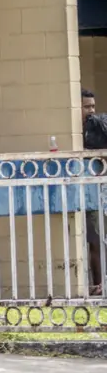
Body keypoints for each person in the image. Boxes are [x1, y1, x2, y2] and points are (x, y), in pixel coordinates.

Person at [84, 89, 104, 295]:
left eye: (92, 106)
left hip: (97, 191)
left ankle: (99, 283)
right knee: (93, 239)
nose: (90, 110)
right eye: (86, 106)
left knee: (96, 238)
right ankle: (97, 283)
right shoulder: (74, 130)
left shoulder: (98, 127)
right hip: (79, 191)